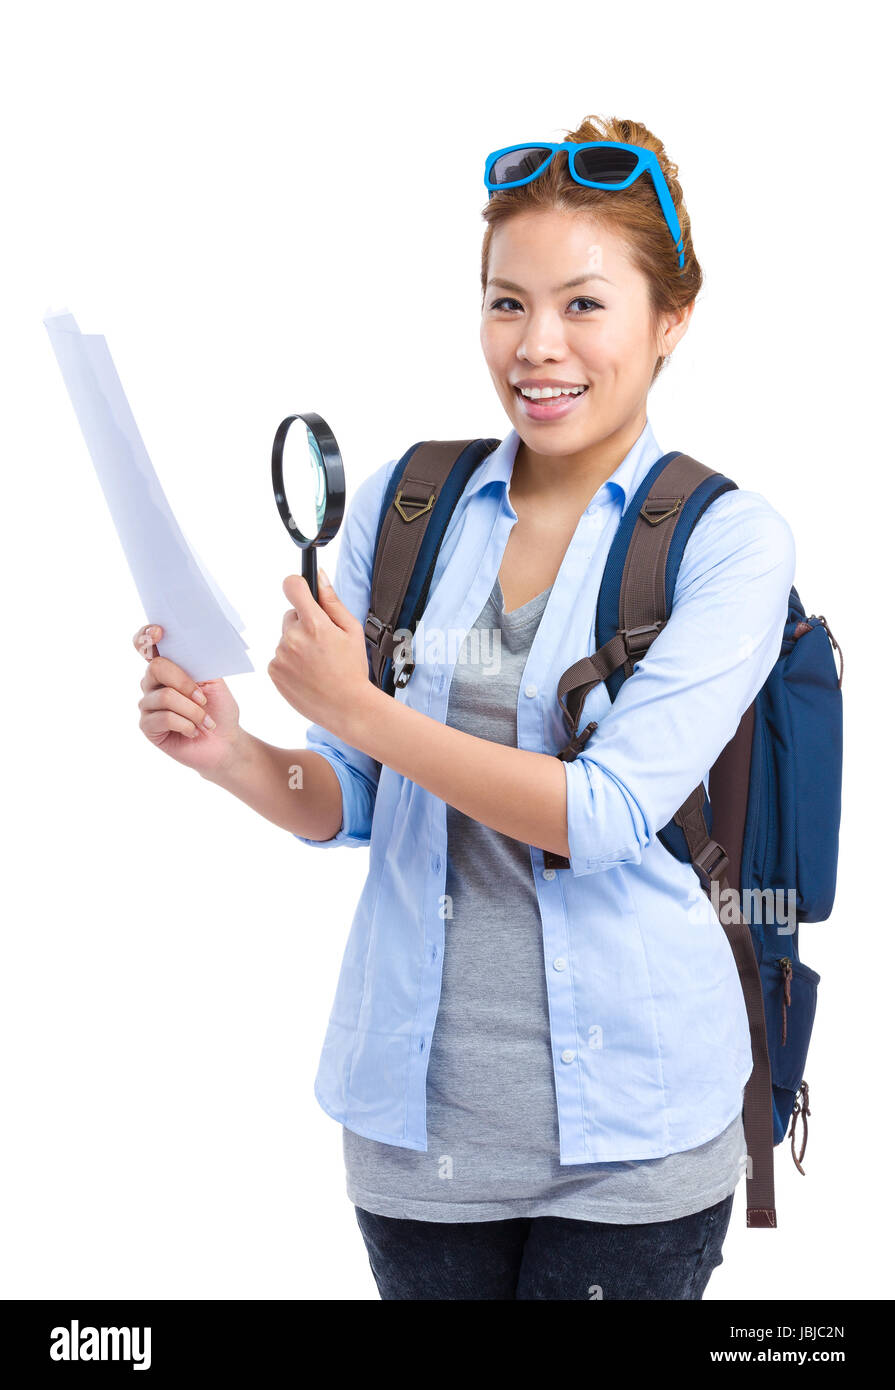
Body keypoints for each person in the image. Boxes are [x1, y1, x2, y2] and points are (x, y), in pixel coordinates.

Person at [133, 113, 795, 1300]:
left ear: (671, 321)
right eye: (506, 302)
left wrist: (366, 711)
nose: (537, 346)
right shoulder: (409, 504)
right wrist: (235, 753)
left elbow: (597, 816)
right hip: (415, 1135)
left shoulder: (728, 541)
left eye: (584, 304)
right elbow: (356, 799)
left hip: (631, 1145)